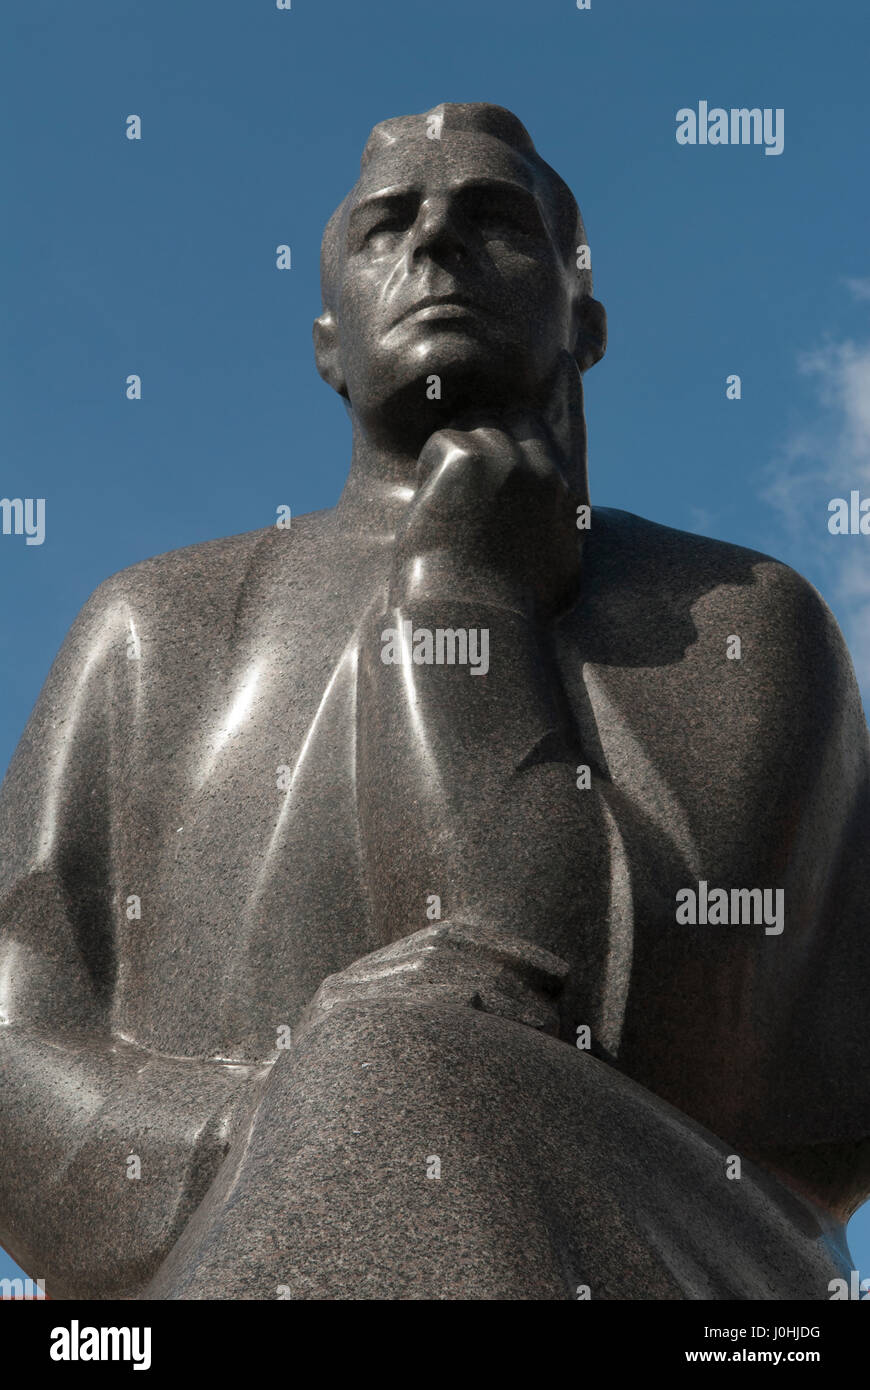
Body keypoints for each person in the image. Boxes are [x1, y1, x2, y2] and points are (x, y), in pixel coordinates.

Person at [1, 103, 867, 1299]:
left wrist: (460, 604)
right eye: (386, 227)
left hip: (660, 1255)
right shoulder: (149, 624)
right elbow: (16, 1043)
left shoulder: (735, 615)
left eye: (493, 220)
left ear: (587, 316)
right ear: (325, 343)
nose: (436, 247)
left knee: (412, 1068)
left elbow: (621, 1017)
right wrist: (275, 1120)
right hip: (208, 1261)